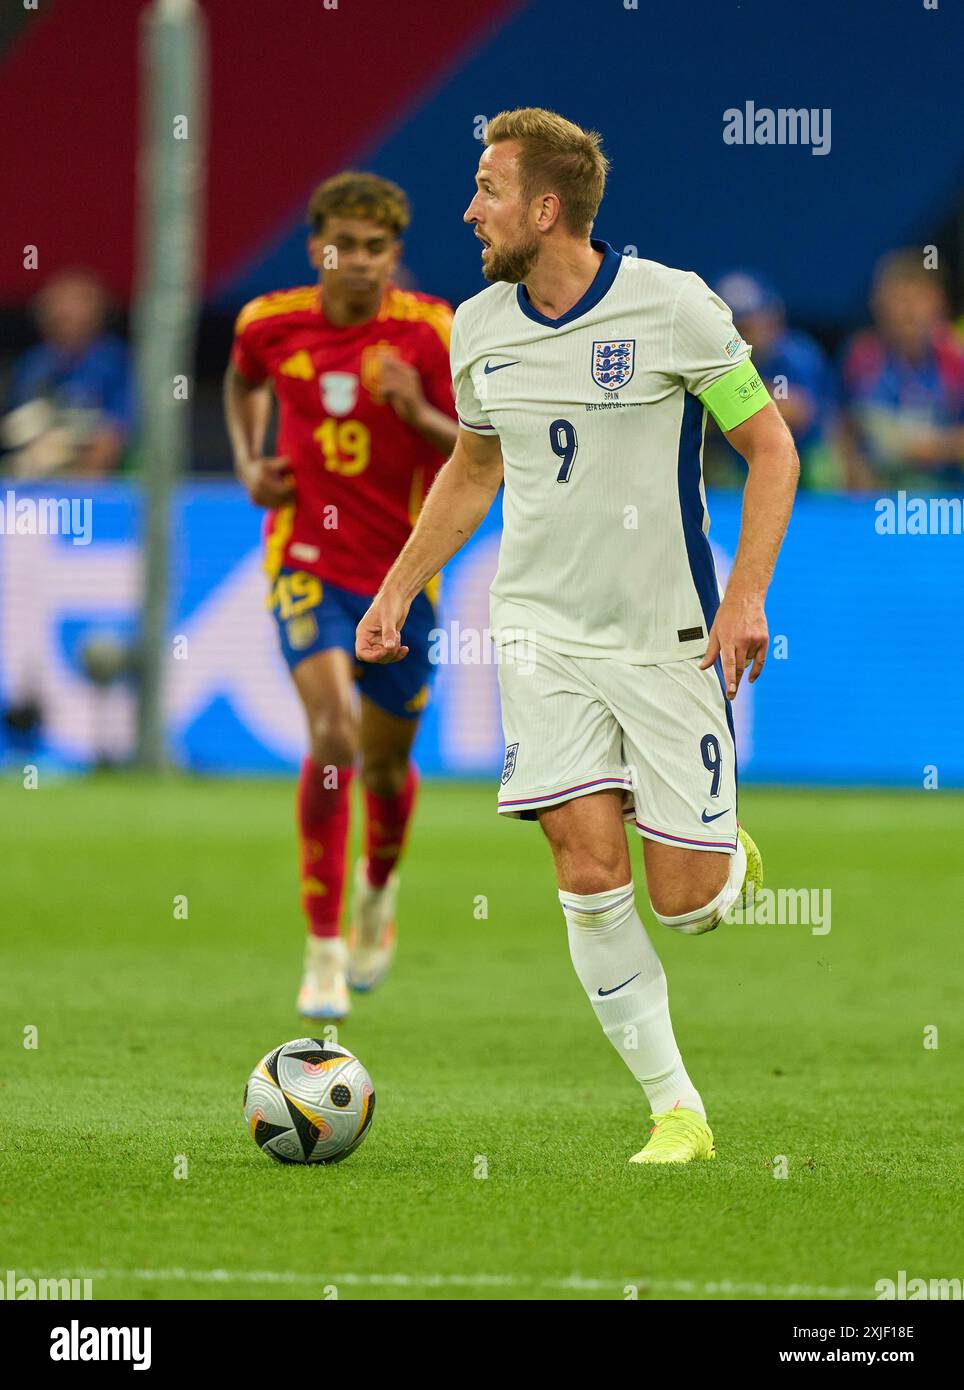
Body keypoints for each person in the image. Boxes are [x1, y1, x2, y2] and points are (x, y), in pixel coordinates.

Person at [356, 109, 798, 1164]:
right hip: (540, 633)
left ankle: (719, 853)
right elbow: (473, 467)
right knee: (583, 867)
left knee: (685, 904)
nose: (470, 210)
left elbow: (771, 452)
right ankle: (675, 1110)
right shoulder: (478, 327)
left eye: (488, 190)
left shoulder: (676, 309)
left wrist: (745, 597)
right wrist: (400, 587)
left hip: (666, 639)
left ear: (544, 209)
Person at [224, 172, 458, 1020]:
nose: (356, 262)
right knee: (332, 734)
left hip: (401, 577)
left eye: (373, 248)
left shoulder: (432, 335)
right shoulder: (269, 323)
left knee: (388, 766)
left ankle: (377, 890)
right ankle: (322, 950)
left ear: (394, 255)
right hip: (306, 562)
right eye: (341, 245)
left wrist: (416, 410)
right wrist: (252, 462)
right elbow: (242, 382)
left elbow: (478, 448)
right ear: (315, 246)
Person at [840, 250, 964, 491]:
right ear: (877, 303)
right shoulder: (859, 357)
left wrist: (932, 448)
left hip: (948, 494)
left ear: (939, 303)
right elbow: (843, 426)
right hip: (876, 493)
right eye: (899, 299)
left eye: (918, 299)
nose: (909, 311)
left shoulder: (958, 359)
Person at [711, 270, 837, 489]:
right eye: (732, 325)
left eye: (748, 323)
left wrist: (728, 395)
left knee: (824, 468)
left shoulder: (797, 354)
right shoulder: (710, 360)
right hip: (736, 464)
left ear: (770, 316)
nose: (741, 333)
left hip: (803, 460)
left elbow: (797, 412)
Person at [2, 269, 133, 476]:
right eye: (56, 307)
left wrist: (79, 489)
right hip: (38, 477)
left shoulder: (116, 362)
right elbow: (17, 429)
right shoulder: (32, 364)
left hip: (107, 479)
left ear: (97, 313)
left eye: (75, 307)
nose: (62, 313)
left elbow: (116, 432)